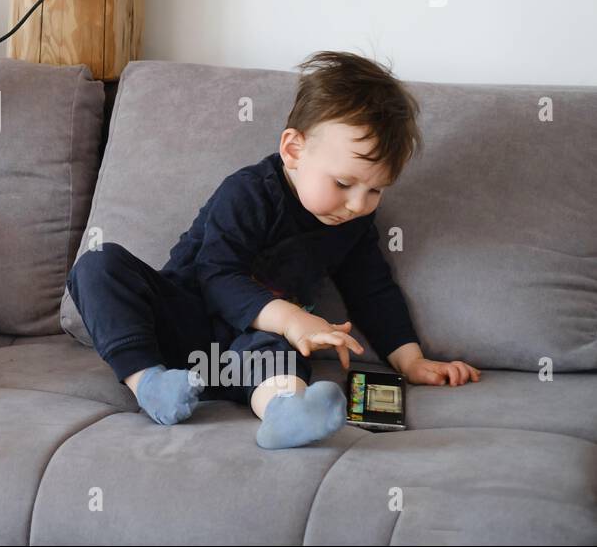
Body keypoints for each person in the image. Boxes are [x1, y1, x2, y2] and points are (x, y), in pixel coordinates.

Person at [65, 51, 481, 449]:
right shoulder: (249, 193)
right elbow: (216, 275)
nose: (358, 203)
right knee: (98, 266)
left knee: (278, 348)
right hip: (180, 328)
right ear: (294, 150)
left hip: (248, 351)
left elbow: (372, 290)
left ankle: (284, 411)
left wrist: (410, 360)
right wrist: (293, 318)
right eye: (343, 184)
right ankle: (149, 385)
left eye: (375, 190)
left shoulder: (353, 223)